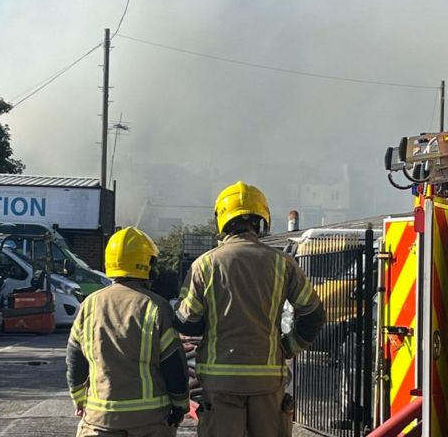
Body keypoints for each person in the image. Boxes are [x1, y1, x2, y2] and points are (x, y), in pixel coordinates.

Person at [175, 181, 326, 437]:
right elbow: (314, 315)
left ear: (222, 220)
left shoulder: (205, 265)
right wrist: (287, 347)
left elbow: (186, 321)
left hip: (220, 381)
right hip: (267, 381)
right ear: (261, 219)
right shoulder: (283, 263)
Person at [67, 226, 190, 437]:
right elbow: (173, 364)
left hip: (100, 418)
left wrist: (79, 400)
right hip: (149, 420)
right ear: (148, 265)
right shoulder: (156, 306)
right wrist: (180, 404)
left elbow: (75, 358)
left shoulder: (90, 304)